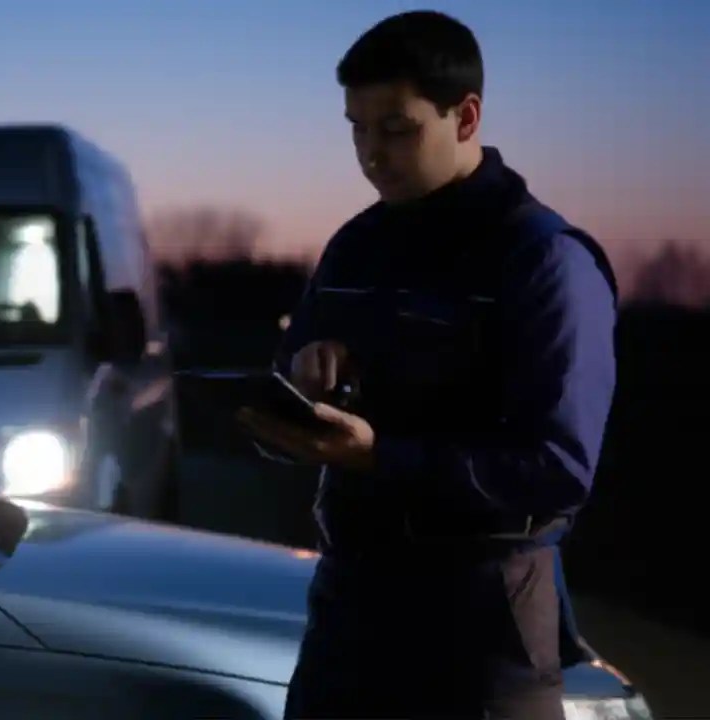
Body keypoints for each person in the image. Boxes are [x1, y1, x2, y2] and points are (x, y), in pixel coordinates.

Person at [236, 10, 618, 720]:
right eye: (356, 127)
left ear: (465, 116)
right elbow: (291, 390)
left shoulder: (542, 260)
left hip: (483, 626)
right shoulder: (354, 247)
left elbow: (560, 467)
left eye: (396, 128)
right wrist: (301, 387)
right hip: (348, 613)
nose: (370, 153)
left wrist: (382, 458)